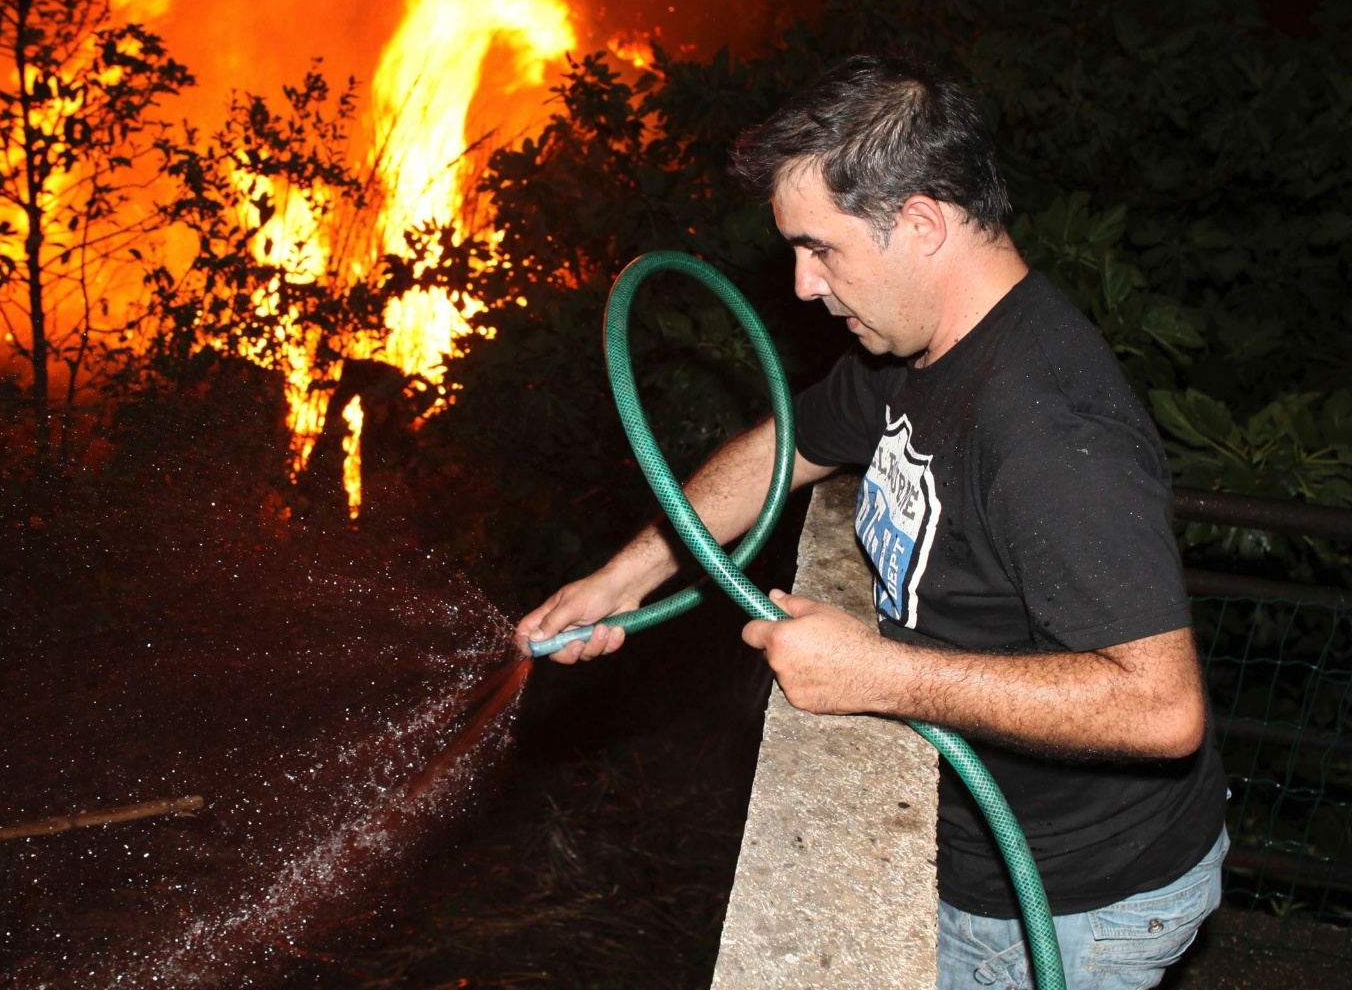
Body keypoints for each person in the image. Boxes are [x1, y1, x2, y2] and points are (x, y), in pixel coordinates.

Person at [515, 54, 1229, 990]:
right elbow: (787, 445)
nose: (805, 286)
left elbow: (1161, 707)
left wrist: (876, 672)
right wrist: (627, 575)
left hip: (1072, 903)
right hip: (967, 848)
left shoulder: (1050, 427)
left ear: (922, 224)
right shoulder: (914, 350)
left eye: (822, 248)